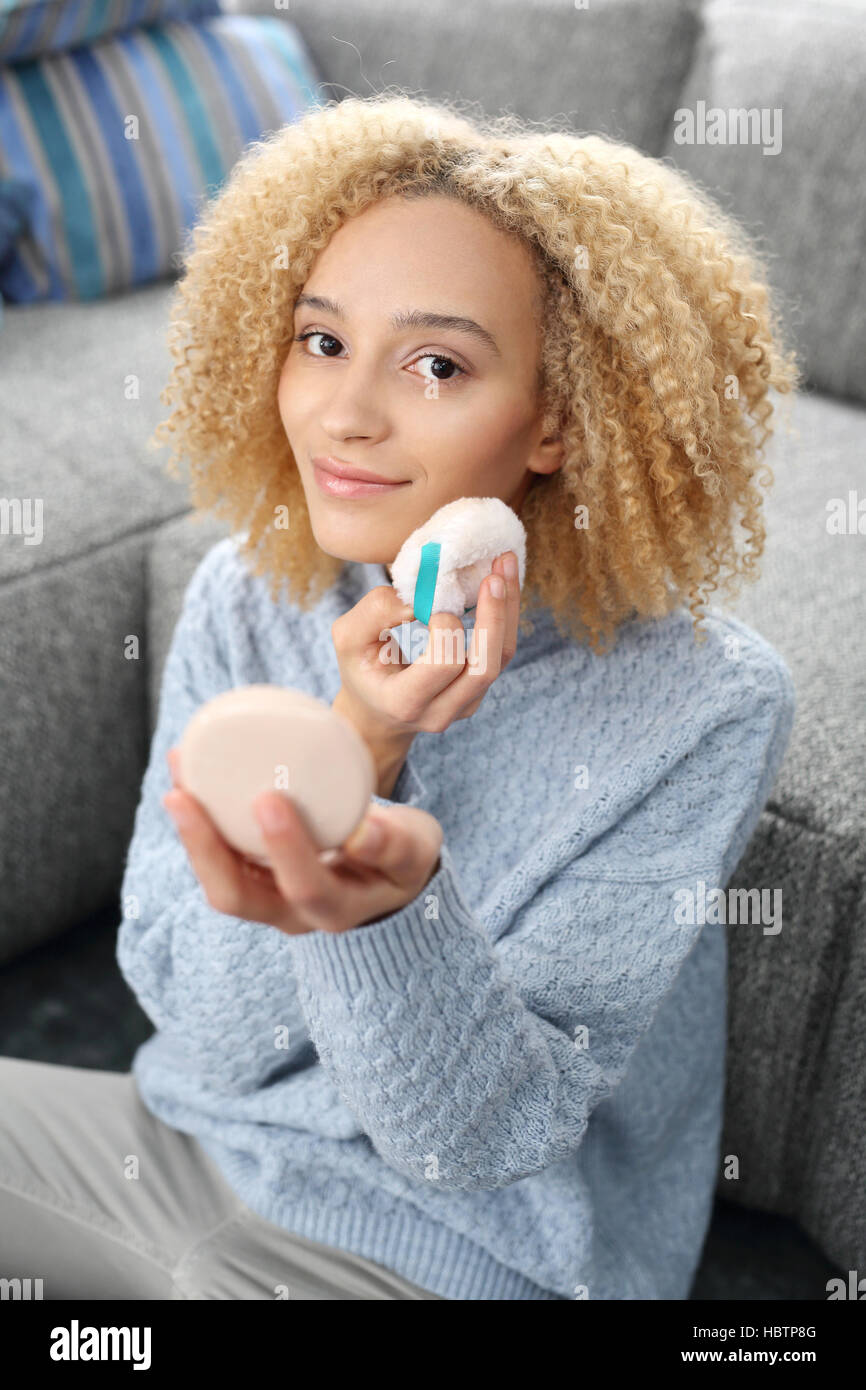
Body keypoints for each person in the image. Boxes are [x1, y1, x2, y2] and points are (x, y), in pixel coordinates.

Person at [0, 91, 801, 1300]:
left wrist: (381, 889)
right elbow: (207, 1032)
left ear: (558, 424)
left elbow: (475, 1144)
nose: (345, 412)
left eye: (435, 364)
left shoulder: (701, 704)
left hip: (449, 1258)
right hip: (182, 1155)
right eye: (320, 341)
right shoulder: (250, 590)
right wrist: (349, 742)